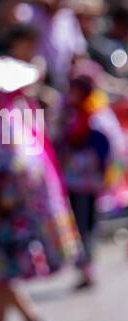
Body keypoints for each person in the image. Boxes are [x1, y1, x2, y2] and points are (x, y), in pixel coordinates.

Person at [0, 55, 82, 321]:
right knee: (0, 275)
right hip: (5, 210)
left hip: (7, 214)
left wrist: (1, 199)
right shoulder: (10, 117)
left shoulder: (6, 121)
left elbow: (22, 168)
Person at [55, 59, 126, 286]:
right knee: (78, 222)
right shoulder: (69, 111)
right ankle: (84, 264)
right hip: (72, 179)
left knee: (87, 222)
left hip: (89, 179)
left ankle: (87, 265)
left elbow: (108, 148)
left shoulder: (95, 114)